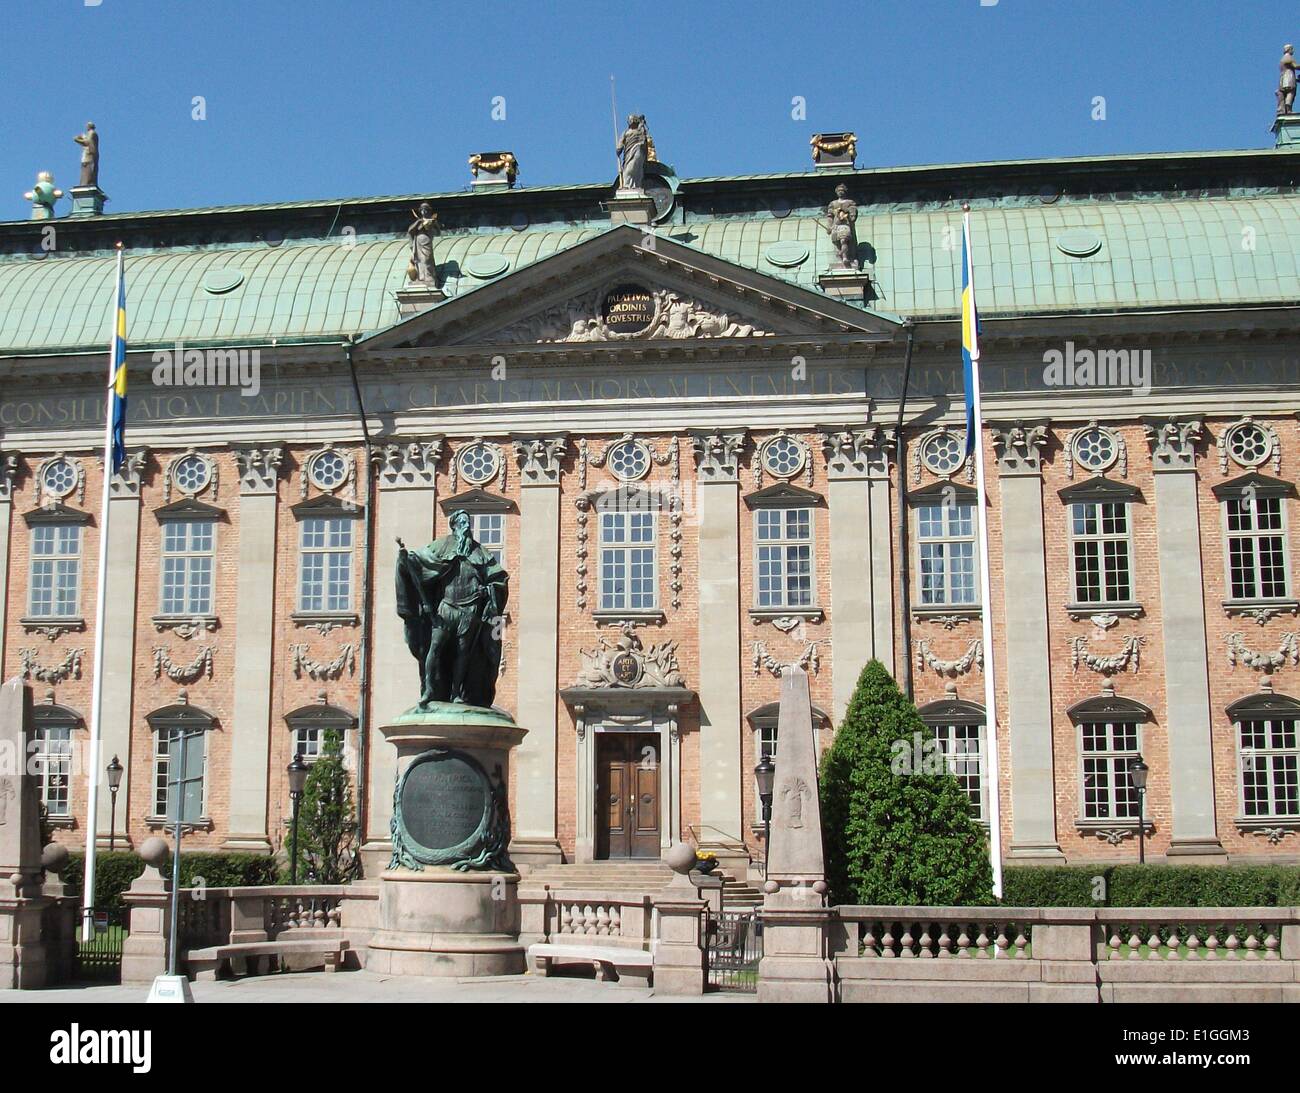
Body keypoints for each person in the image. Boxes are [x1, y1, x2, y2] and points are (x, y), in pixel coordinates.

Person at [396, 510, 508, 710]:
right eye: (462, 521)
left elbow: (498, 578)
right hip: (445, 608)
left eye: (468, 521)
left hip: (471, 612)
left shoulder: (479, 551)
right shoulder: (442, 545)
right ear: (454, 525)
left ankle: (457, 693)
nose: (466, 524)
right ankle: (430, 689)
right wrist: (407, 558)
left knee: (463, 653)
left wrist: (489, 590)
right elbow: (421, 560)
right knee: (435, 648)